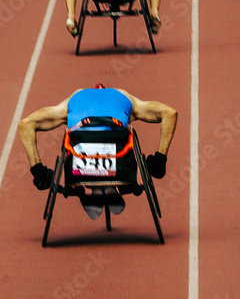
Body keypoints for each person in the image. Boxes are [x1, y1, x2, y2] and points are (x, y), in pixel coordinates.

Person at [18, 85, 177, 218]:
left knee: (77, 142)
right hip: (120, 169)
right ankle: (107, 189)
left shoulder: (71, 101)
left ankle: (96, 190)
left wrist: (39, 172)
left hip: (78, 172)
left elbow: (25, 124)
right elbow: (170, 113)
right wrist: (158, 161)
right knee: (120, 140)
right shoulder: (126, 99)